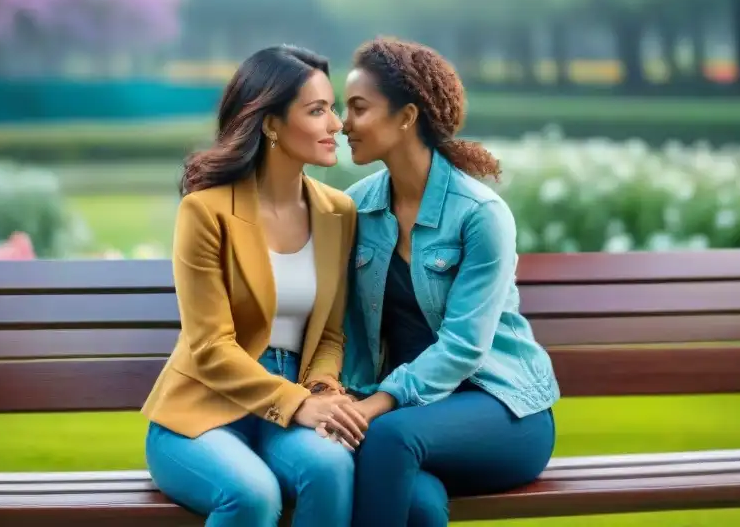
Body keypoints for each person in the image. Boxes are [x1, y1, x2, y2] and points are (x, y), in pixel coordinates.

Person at [335, 37, 561, 527]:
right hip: (412, 419)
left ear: (406, 116)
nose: (342, 123)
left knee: (388, 439)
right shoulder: (356, 209)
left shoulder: (479, 215)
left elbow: (463, 346)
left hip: (502, 410)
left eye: (357, 107)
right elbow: (340, 323)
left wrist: (377, 404)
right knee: (415, 502)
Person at [142, 45, 368, 527]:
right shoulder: (206, 211)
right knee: (252, 495)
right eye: (317, 110)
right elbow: (209, 347)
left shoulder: (338, 213)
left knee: (331, 467)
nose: (337, 125)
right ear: (270, 123)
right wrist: (299, 403)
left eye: (334, 108)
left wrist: (323, 392)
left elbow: (329, 334)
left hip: (295, 398)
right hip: (200, 410)